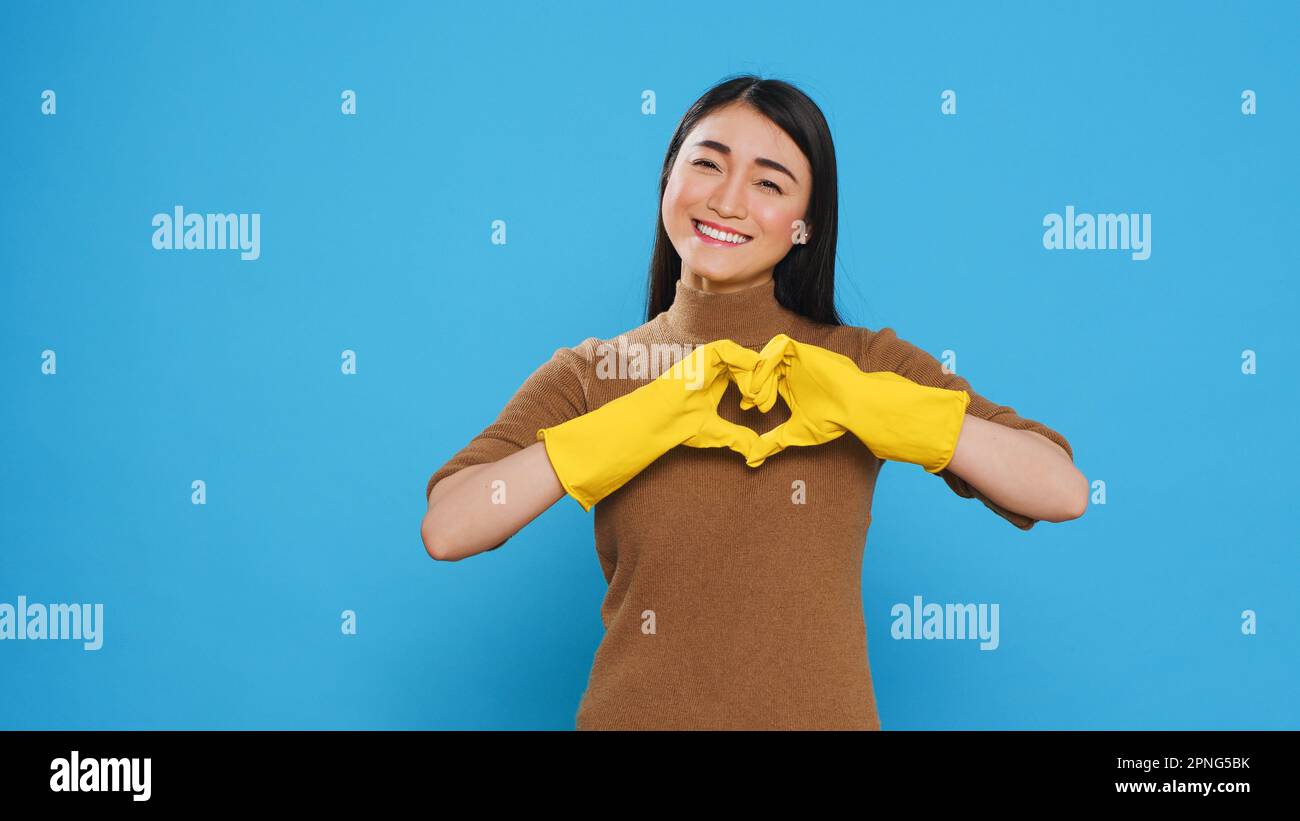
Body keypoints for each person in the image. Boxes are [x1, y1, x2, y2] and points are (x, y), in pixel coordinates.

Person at [421, 75, 1088, 730]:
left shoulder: (861, 361)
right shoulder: (595, 372)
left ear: (805, 225)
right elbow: (449, 527)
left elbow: (1060, 489)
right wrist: (644, 418)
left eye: (769, 183)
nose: (728, 200)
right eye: (707, 165)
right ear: (668, 180)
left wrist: (869, 403)